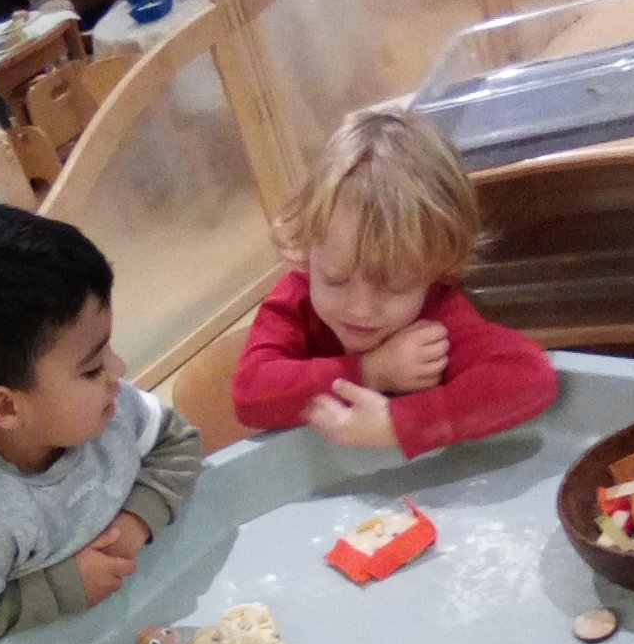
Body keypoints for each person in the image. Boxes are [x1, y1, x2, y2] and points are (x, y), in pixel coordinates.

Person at [0, 201, 203, 644]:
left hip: (152, 610)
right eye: (93, 367)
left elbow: (178, 443)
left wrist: (136, 522)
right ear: (7, 408)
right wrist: (62, 586)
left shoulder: (110, 412)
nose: (119, 370)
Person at [231, 106, 558, 454]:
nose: (360, 309)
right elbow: (251, 392)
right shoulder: (296, 298)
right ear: (308, 249)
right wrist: (371, 371)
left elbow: (529, 377)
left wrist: (398, 424)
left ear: (436, 269)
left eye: (393, 286)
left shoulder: (437, 316)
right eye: (335, 279)